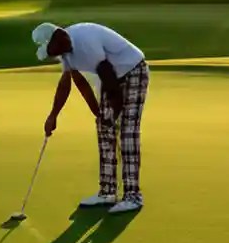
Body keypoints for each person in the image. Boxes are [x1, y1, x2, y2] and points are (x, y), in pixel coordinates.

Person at [31, 21, 150, 214]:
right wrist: (54, 115)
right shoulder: (66, 51)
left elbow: (108, 77)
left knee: (127, 133)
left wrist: (116, 111)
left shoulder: (85, 40)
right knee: (104, 129)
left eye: (50, 50)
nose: (53, 55)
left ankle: (133, 196)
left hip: (133, 70)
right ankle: (107, 192)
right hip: (110, 77)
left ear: (56, 38)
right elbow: (76, 84)